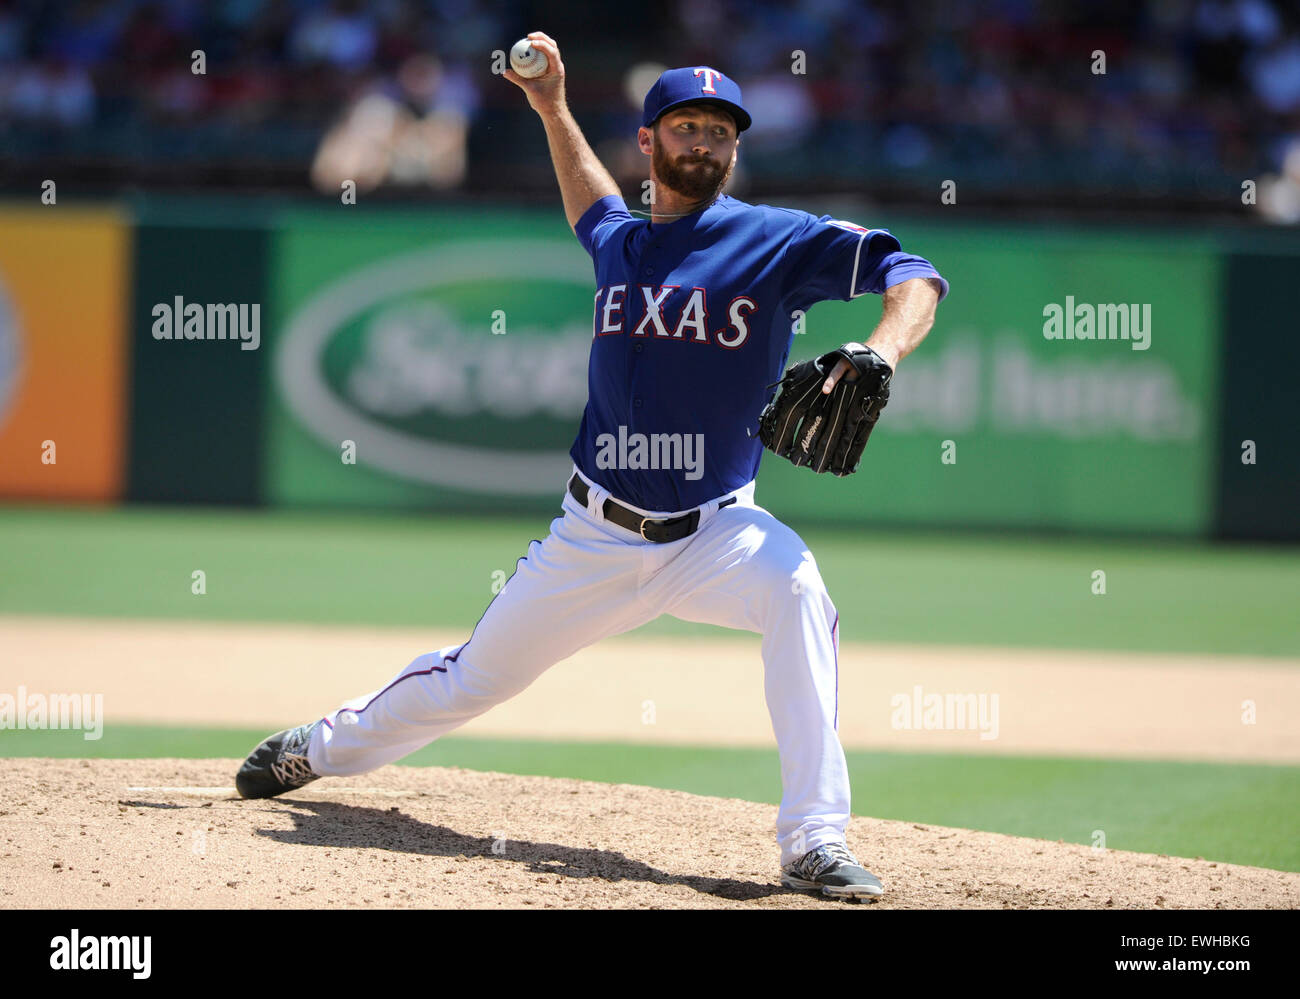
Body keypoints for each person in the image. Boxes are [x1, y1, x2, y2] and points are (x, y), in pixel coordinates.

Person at [236, 31, 948, 902]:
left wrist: (881, 351)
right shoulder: (619, 240)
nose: (706, 143)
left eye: (721, 131)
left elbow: (913, 271)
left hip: (716, 531)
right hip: (593, 534)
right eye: (686, 127)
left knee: (799, 589)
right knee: (470, 679)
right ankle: (319, 745)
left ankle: (813, 839)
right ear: (649, 143)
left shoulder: (777, 241)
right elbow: (590, 201)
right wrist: (551, 105)